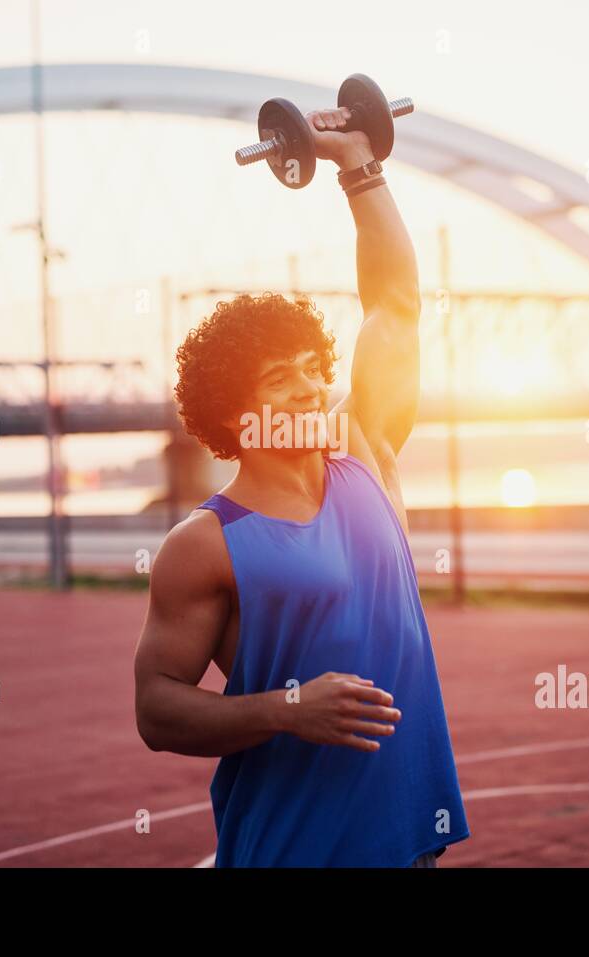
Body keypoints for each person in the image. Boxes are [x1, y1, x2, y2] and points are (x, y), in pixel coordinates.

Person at [133, 104, 469, 867]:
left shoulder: (366, 452)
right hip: (291, 851)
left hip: (411, 838)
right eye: (279, 379)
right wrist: (289, 709)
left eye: (314, 369)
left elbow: (394, 307)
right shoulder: (204, 543)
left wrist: (357, 165)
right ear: (230, 411)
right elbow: (156, 709)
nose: (312, 389)